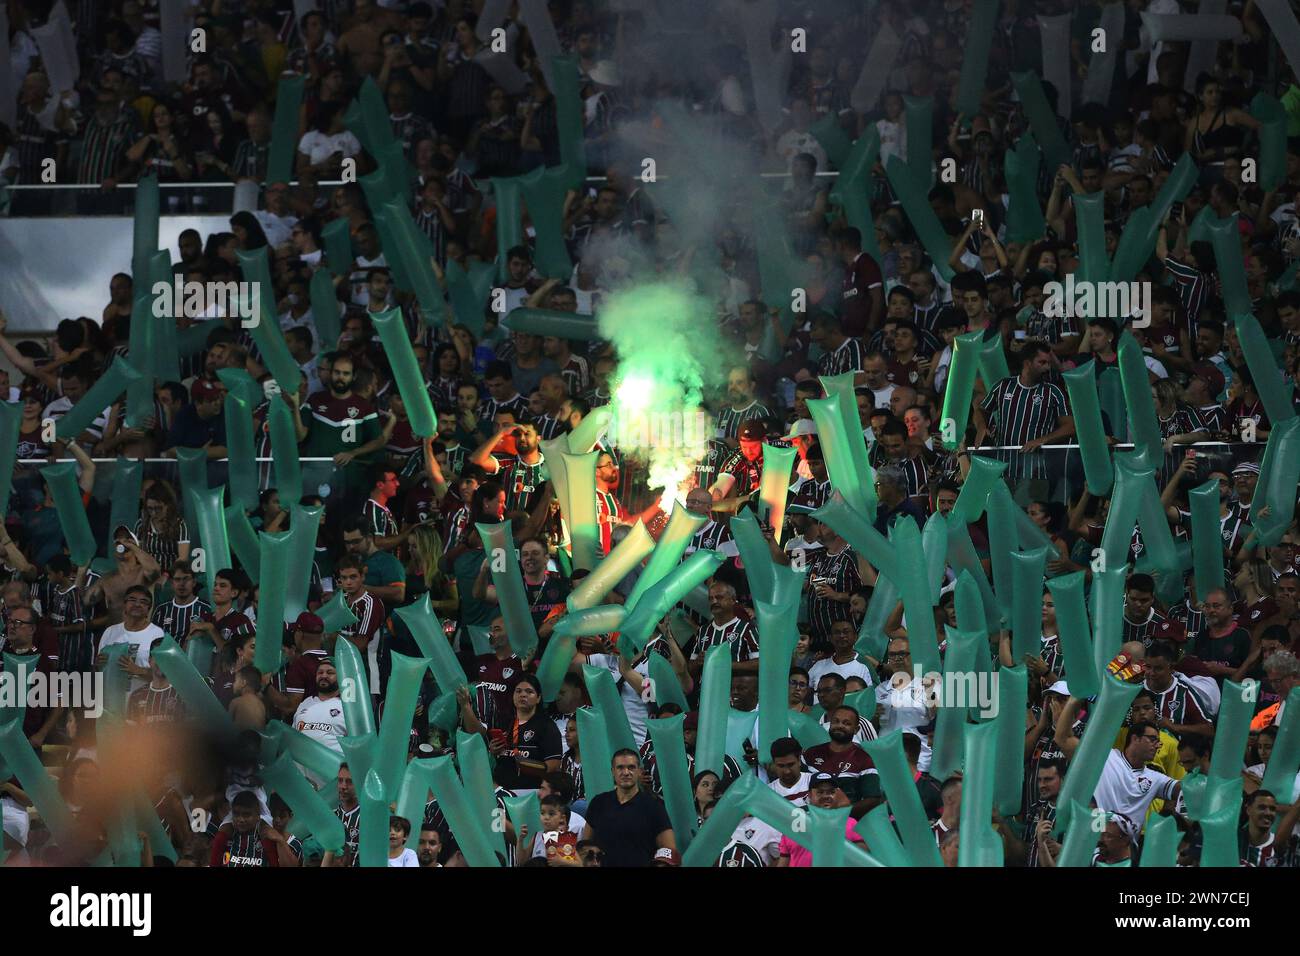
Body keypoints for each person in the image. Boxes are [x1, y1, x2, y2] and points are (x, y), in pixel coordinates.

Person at [583, 749, 675, 867]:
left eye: (631, 767)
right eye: (620, 767)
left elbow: (669, 852)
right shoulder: (599, 803)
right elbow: (584, 847)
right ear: (613, 771)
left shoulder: (654, 807)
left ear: (639, 771)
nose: (626, 772)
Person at [97, 585, 166, 704]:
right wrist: (98, 664)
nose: (137, 604)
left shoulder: (157, 634)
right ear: (124, 604)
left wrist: (138, 670)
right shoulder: (110, 632)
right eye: (132, 600)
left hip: (143, 702)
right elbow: (99, 670)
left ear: (149, 609)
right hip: (112, 702)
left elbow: (165, 674)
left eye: (143, 602)